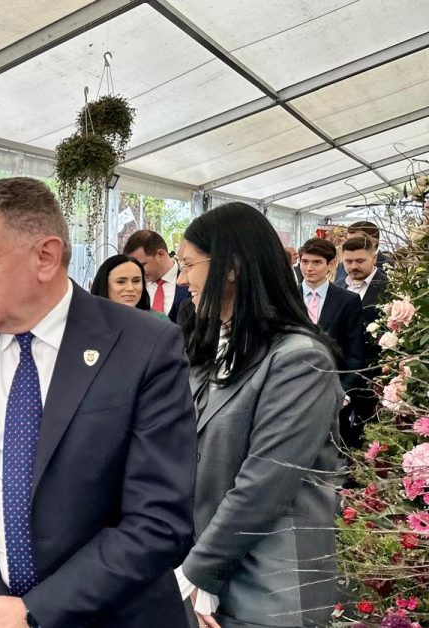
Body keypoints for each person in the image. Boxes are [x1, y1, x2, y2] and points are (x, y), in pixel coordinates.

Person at [0, 177, 196, 628]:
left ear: (45, 256)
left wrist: (31, 613)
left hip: (108, 615)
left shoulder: (145, 346)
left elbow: (159, 520)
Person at [175, 203, 341, 628]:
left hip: (269, 586)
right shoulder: (216, 346)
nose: (181, 279)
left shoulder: (300, 360)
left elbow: (264, 482)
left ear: (230, 268)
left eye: (188, 265)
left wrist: (199, 573)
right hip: (213, 569)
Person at [336, 235, 389, 447]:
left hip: (374, 371)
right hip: (344, 371)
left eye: (360, 261)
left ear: (373, 258)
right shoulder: (339, 286)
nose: (354, 266)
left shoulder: (388, 287)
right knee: (342, 428)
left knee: (370, 429)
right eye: (348, 262)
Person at [298, 238, 364, 396]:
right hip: (293, 386)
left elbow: (355, 351)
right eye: (304, 262)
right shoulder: (286, 297)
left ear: (331, 264)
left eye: (317, 262)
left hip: (333, 386)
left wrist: (344, 394)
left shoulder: (348, 300)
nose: (309, 268)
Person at [123, 229, 191, 322]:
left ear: (160, 254)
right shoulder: (132, 288)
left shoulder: (191, 280)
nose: (138, 272)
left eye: (142, 265)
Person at [89, 254, 165, 318]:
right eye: (121, 282)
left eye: (136, 281)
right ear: (104, 284)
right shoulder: (88, 321)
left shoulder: (159, 321)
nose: (130, 288)